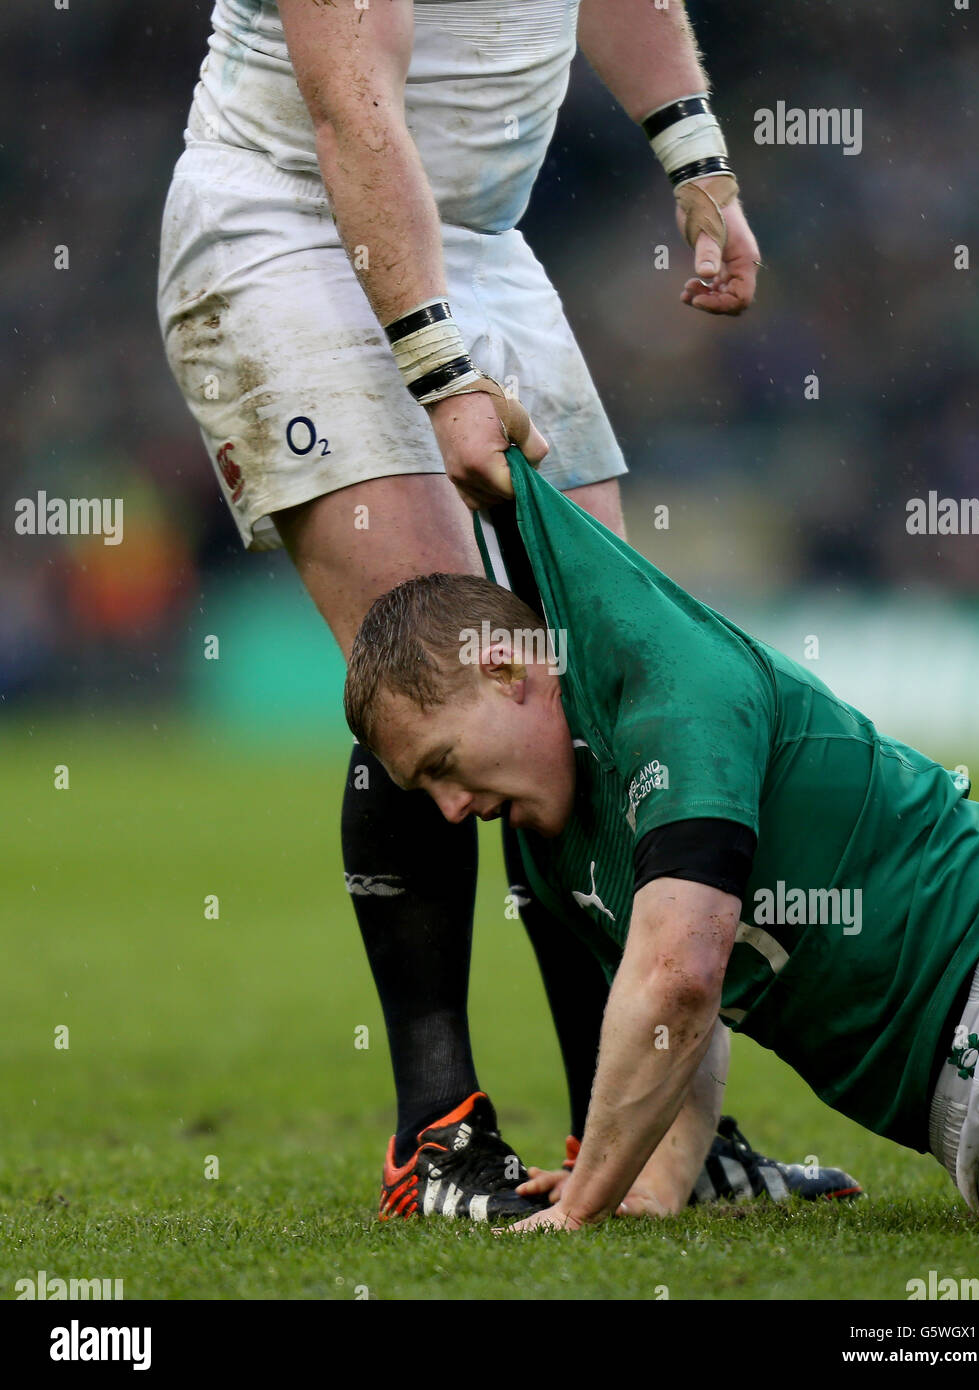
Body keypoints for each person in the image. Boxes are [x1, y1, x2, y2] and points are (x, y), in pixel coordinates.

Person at [158, 0, 853, 1219]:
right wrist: (442, 374)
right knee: (445, 663)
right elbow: (350, 106)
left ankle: (631, 1139)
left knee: (589, 680)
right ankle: (435, 1134)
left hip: (480, 235)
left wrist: (697, 163)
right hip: (293, 210)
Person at [343, 448, 979, 1224]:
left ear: (504, 670)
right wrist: (654, 1188)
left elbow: (680, 978)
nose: (450, 810)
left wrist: (579, 1210)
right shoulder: (552, 850)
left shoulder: (672, 695)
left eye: (442, 765)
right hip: (970, 1116)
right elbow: (682, 1026)